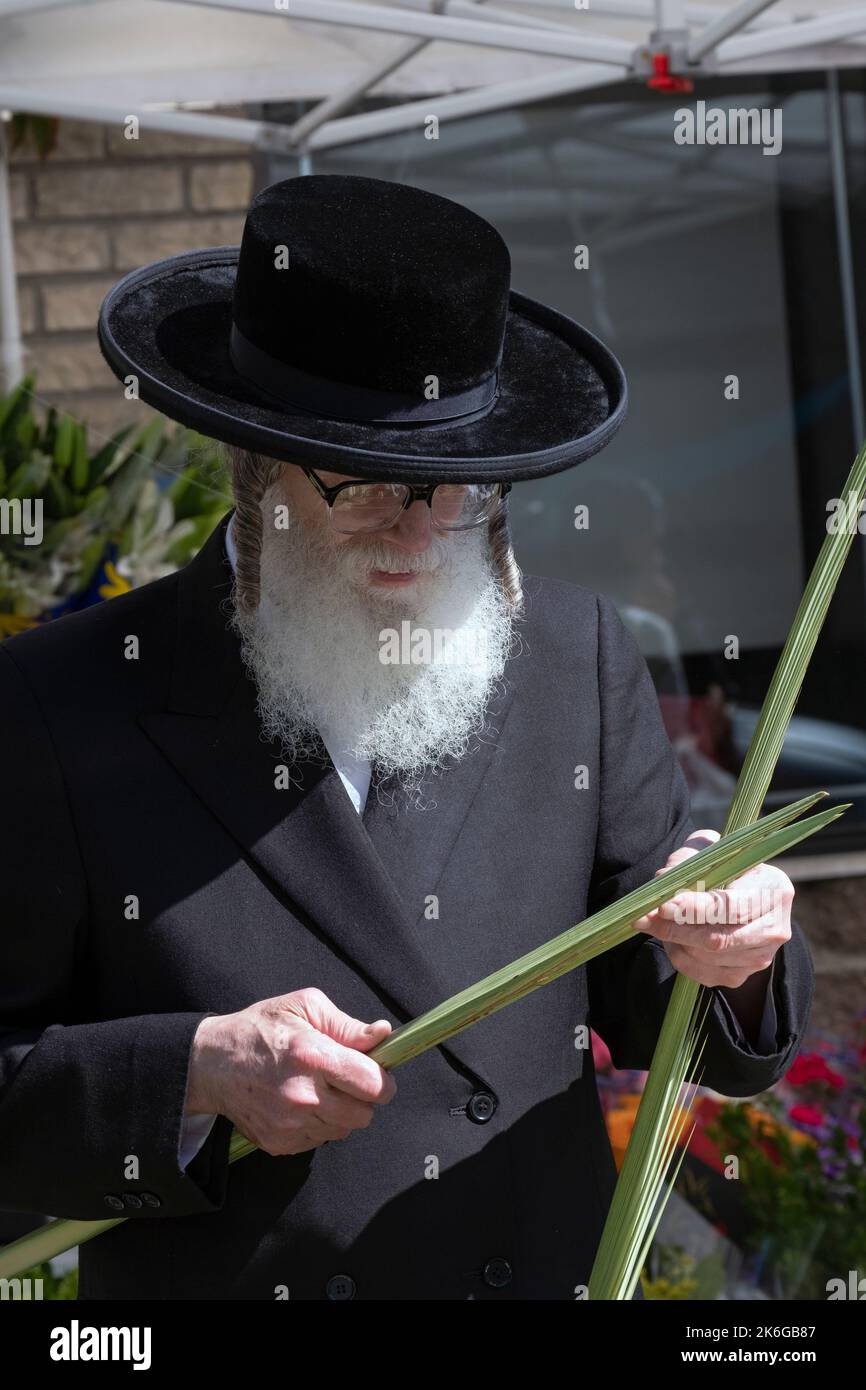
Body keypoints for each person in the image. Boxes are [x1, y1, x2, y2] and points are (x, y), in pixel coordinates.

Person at [0, 175, 812, 1300]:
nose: (419, 536)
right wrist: (189, 1078)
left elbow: (665, 1004)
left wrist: (730, 947)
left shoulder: (571, 648)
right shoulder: (60, 700)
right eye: (367, 487)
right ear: (254, 463)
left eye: (458, 489)